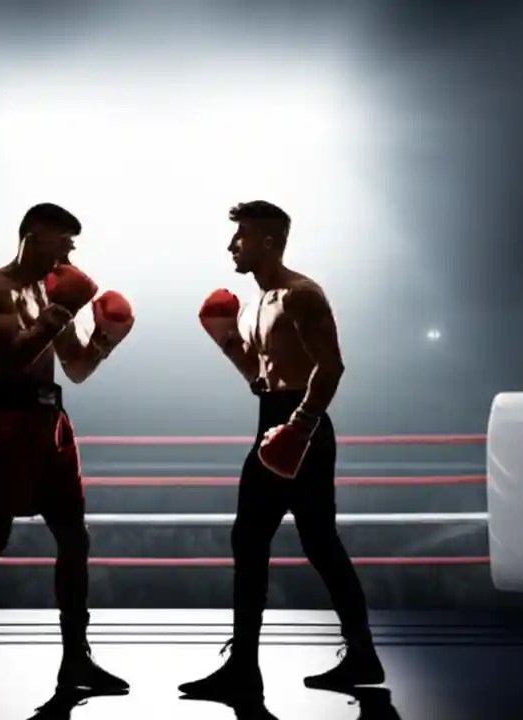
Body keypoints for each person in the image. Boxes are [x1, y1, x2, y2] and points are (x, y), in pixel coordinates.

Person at [0, 203, 133, 701]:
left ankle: (75, 661)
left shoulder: (49, 290)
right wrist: (62, 311)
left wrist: (105, 338)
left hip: (49, 423)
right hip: (6, 422)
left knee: (74, 540)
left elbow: (76, 369)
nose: (69, 253)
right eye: (63, 241)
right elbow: (4, 358)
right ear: (32, 236)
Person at [180, 200, 385, 700]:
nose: (232, 245)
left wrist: (302, 426)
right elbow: (259, 378)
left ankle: (253, 669)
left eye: (241, 235)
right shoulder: (255, 305)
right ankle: (349, 656)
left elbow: (331, 366)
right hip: (273, 419)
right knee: (270, 541)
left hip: (303, 426)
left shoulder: (301, 295)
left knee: (296, 542)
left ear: (269, 241)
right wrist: (228, 342)